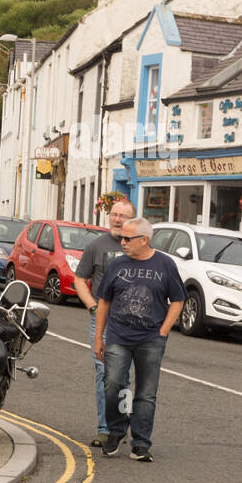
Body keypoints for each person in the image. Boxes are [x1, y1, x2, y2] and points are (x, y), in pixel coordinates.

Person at [93, 218, 185, 462]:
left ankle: (141, 443)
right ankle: (116, 431)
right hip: (118, 336)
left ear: (144, 240)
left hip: (150, 339)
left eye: (127, 238)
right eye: (121, 238)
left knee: (145, 393)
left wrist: (164, 330)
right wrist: (98, 337)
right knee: (113, 385)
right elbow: (104, 301)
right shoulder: (116, 265)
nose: (122, 242)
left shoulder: (165, 265)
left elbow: (178, 299)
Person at [74, 198, 134, 447]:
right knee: (103, 373)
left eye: (123, 216)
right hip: (102, 321)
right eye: (114, 214)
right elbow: (80, 279)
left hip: (130, 322)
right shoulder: (96, 246)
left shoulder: (138, 246)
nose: (117, 219)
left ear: (132, 220)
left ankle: (122, 425)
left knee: (124, 378)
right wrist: (91, 305)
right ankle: (104, 428)